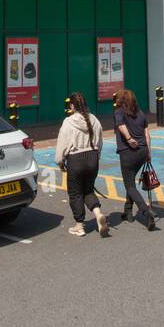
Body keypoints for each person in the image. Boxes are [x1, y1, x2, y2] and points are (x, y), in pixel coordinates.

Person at [54, 92, 109, 238]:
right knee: (88, 190)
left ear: (72, 106)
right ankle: (98, 214)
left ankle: (79, 225)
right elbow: (100, 142)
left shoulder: (68, 122)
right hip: (92, 158)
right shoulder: (94, 120)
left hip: (76, 159)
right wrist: (97, 157)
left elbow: (62, 144)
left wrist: (60, 162)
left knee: (75, 192)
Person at [113, 88, 157, 230]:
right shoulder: (140, 113)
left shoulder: (119, 112)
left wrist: (129, 138)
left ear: (121, 100)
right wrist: (148, 152)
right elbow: (147, 133)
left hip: (128, 152)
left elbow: (121, 125)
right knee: (130, 180)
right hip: (143, 151)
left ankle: (145, 211)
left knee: (129, 186)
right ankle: (128, 212)